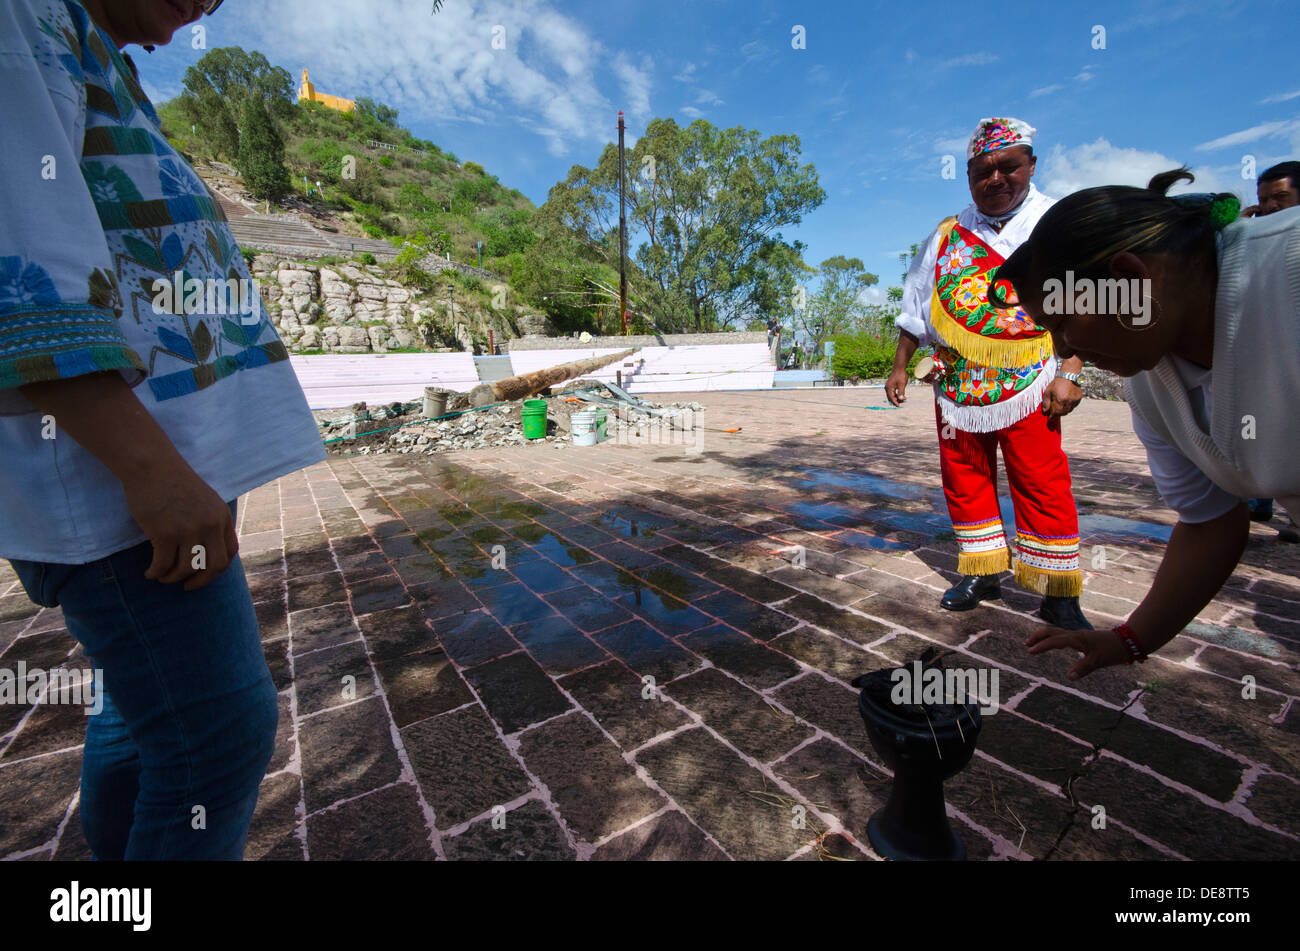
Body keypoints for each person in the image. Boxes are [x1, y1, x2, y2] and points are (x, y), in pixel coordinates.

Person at [0, 0, 324, 858]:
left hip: (160, 460)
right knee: (217, 736)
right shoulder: (24, 18)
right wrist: (150, 471)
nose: (202, 7)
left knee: (142, 722)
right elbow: (20, 253)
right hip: (107, 469)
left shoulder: (90, 42)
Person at [991, 168, 1300, 678]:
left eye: (1063, 324)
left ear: (1131, 280)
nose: (1063, 351)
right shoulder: (1150, 385)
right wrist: (1130, 640)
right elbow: (1209, 523)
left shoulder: (1286, 274)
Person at [887, 117, 1091, 630]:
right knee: (964, 478)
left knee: (1041, 481)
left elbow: (1086, 303)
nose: (995, 179)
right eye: (983, 171)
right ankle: (983, 569)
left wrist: (1072, 368)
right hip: (957, 387)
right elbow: (917, 304)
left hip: (1032, 383)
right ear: (968, 174)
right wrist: (900, 365)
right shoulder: (947, 233)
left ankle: (1056, 591)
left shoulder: (1058, 223)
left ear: (1031, 165)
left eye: (1008, 167)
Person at [1238, 161, 1300, 542]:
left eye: (1281, 197)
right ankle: (1258, 497)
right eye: (1264, 200)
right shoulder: (1257, 237)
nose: (1272, 206)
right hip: (1264, 352)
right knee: (1256, 432)